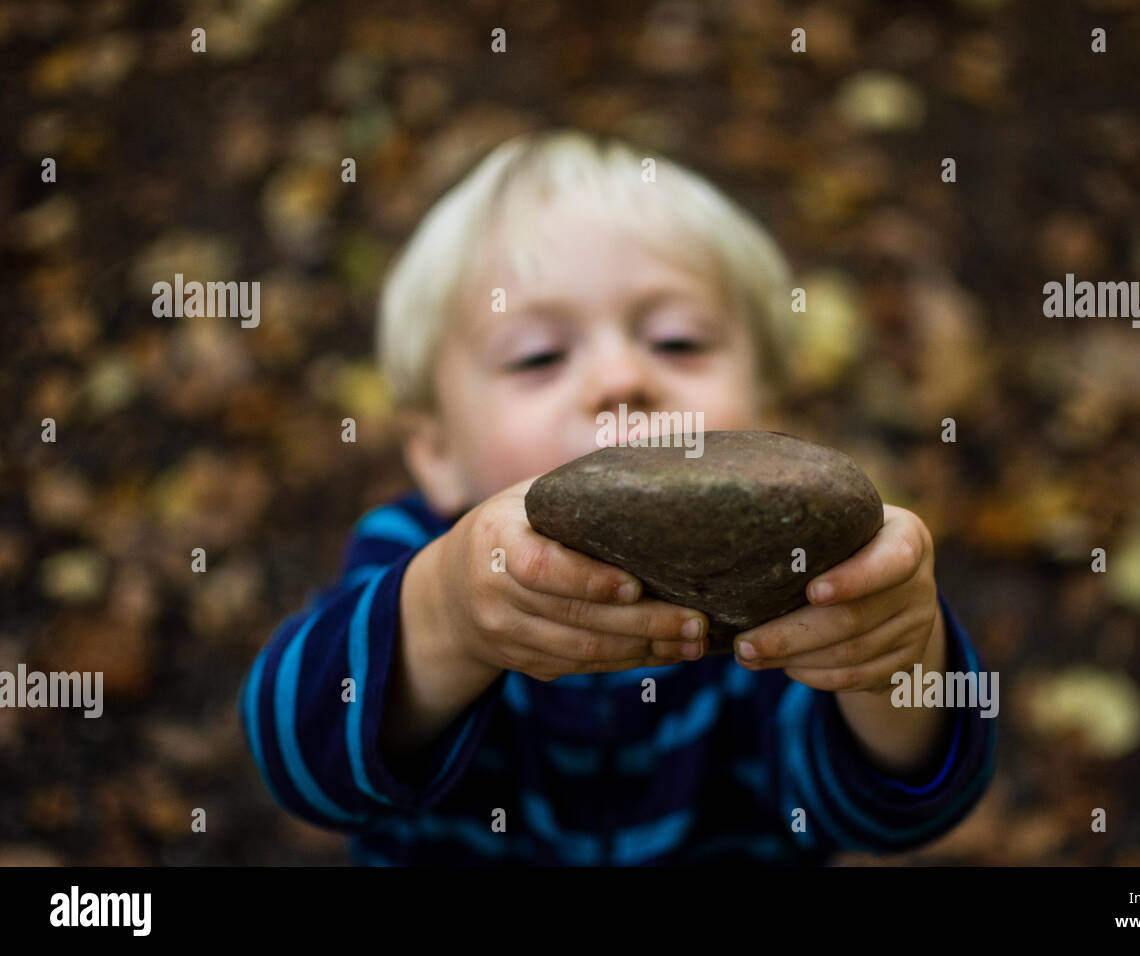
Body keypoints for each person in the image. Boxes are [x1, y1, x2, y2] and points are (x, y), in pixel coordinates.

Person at [238, 128, 996, 865]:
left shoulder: (788, 597)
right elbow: (297, 766)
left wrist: (891, 655)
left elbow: (898, 814)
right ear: (436, 451)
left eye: (678, 342)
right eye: (539, 355)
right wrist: (445, 618)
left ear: (766, 419)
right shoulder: (410, 552)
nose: (620, 380)